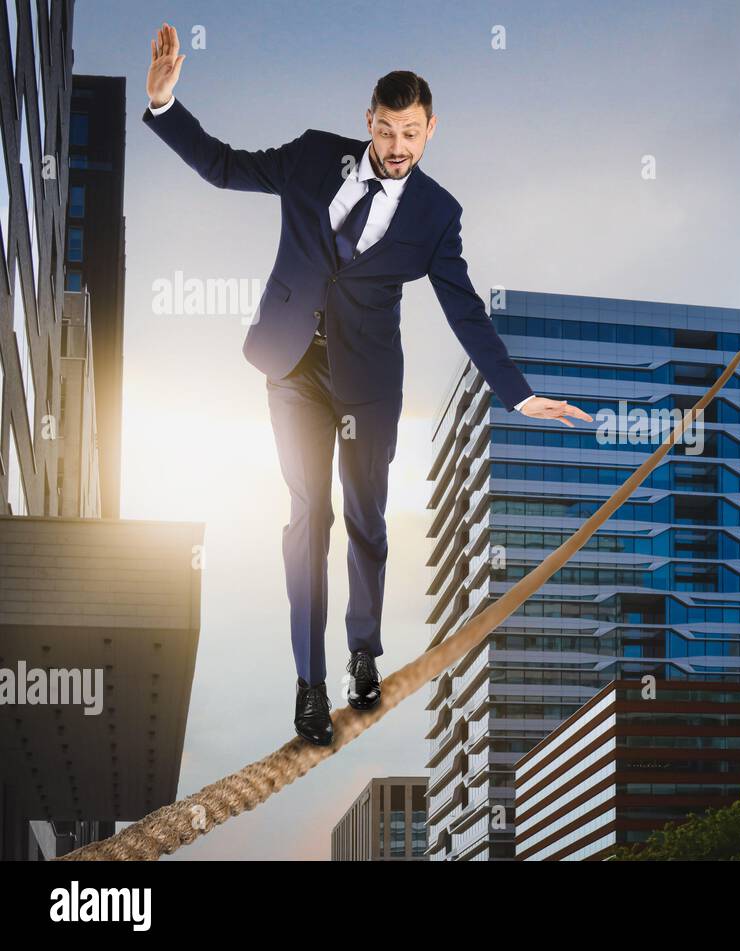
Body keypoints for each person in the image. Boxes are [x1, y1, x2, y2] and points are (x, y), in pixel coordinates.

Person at [142, 23, 592, 746]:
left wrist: (516, 390)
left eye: (411, 132)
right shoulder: (313, 156)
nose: (397, 146)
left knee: (366, 522)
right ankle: (309, 685)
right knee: (306, 515)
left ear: (430, 129)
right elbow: (224, 166)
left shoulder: (436, 214)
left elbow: (463, 306)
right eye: (386, 130)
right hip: (293, 367)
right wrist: (166, 106)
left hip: (370, 382)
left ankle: (363, 650)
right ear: (367, 122)